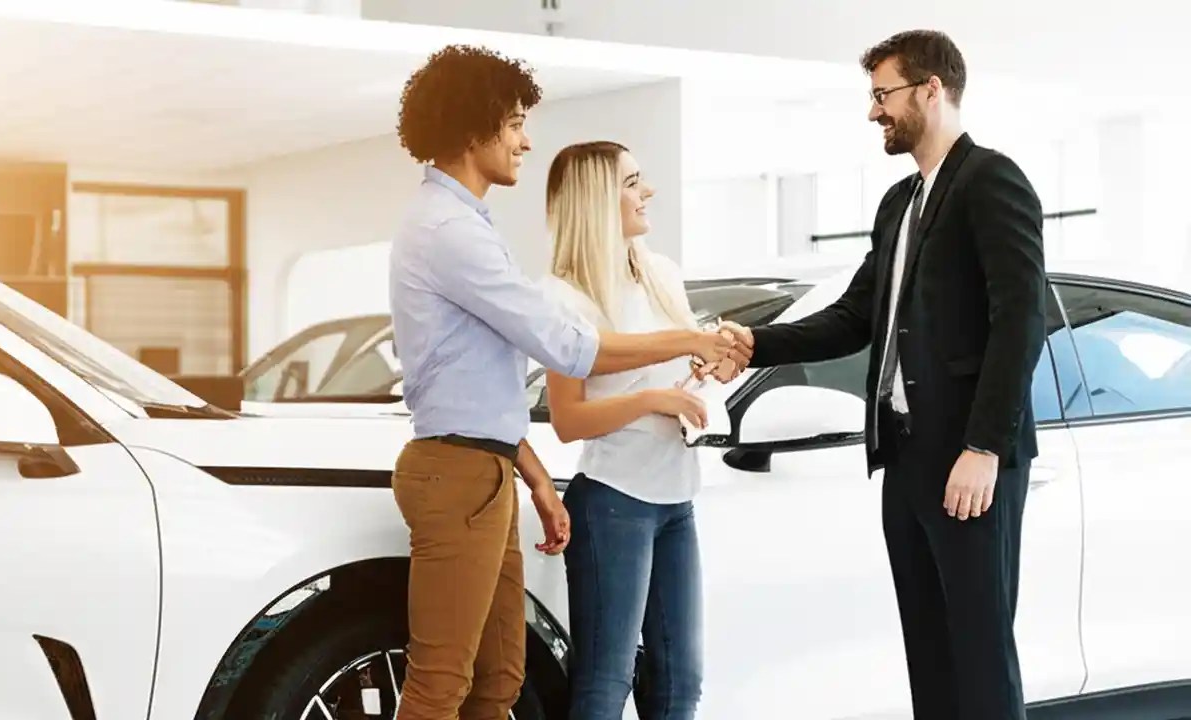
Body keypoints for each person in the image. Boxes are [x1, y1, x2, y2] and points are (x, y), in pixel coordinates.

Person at [388, 45, 735, 720]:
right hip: (457, 471)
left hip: (487, 465)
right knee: (441, 685)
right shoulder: (448, 231)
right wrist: (691, 341)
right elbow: (566, 348)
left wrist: (538, 480)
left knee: (498, 683)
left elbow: (484, 384)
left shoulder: (469, 226)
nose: (525, 140)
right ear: (471, 126)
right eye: (514, 122)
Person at [721, 29, 1045, 720]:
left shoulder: (992, 180)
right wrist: (752, 342)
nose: (874, 112)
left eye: (883, 95)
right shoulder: (900, 203)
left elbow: (1021, 322)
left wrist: (984, 447)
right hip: (905, 459)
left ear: (931, 89)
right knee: (929, 654)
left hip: (969, 462)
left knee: (981, 657)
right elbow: (852, 318)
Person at [541, 141, 713, 720]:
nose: (648, 192)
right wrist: (649, 399)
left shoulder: (662, 274)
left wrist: (709, 368)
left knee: (679, 685)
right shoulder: (563, 297)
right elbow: (568, 421)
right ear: (595, 200)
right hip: (614, 502)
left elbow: (682, 376)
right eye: (633, 181)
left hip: (676, 499)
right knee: (605, 683)